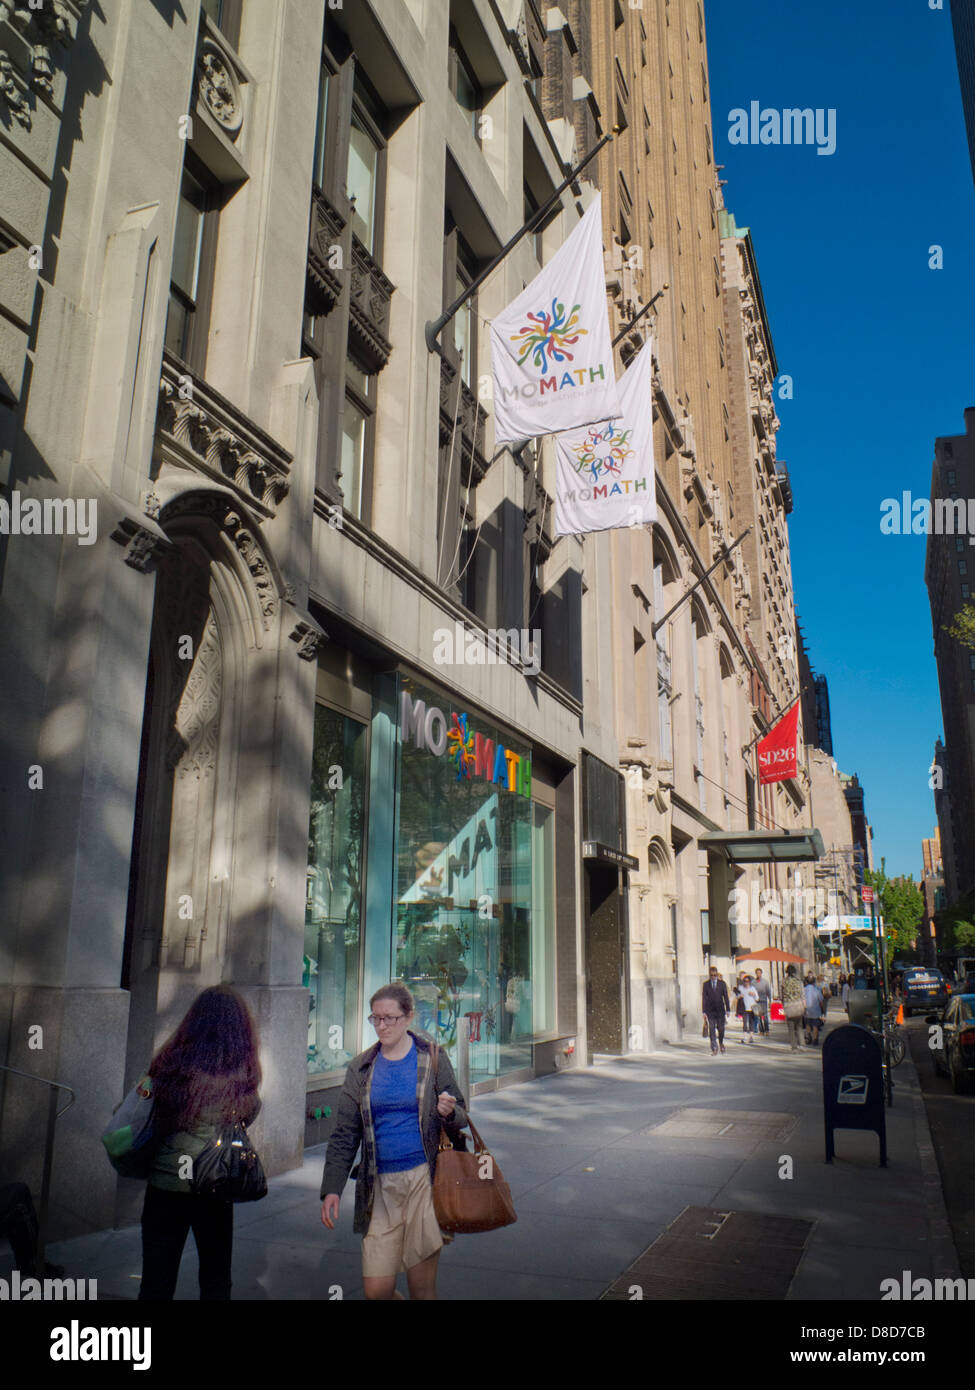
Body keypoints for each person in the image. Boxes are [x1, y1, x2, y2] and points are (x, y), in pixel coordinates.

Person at [320, 982, 469, 1301]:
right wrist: (333, 1187)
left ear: (409, 1016)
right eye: (376, 1018)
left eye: (390, 1018)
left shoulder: (432, 1059)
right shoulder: (361, 1067)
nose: (382, 1025)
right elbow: (345, 1132)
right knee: (377, 1290)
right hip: (378, 1186)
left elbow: (462, 1115)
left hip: (423, 1182)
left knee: (421, 1288)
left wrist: (448, 1111)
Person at [137, 985, 262, 1300]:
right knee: (216, 1277)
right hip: (214, 1182)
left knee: (155, 1280)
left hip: (166, 1182)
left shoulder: (169, 1064)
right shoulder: (241, 1074)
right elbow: (249, 1113)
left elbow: (143, 1109)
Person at [702, 965, 730, 1055]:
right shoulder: (706, 984)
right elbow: (704, 998)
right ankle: (714, 1047)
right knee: (712, 1029)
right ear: (709, 975)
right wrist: (704, 1011)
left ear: (717, 975)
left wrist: (728, 1009)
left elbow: (725, 997)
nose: (713, 977)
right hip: (710, 1011)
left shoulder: (722, 984)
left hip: (720, 1010)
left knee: (721, 1028)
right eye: (711, 975)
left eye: (715, 975)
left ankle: (721, 1042)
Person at [781, 965, 804, 1052]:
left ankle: (794, 1047)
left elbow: (782, 996)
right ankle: (802, 1044)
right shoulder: (799, 982)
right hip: (798, 1005)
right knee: (799, 1026)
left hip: (788, 1005)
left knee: (791, 1028)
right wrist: (804, 1006)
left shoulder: (784, 982)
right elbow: (802, 995)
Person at [803, 973, 825, 1046]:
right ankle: (815, 1039)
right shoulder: (816, 990)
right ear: (813, 982)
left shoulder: (804, 990)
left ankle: (808, 1037)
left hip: (806, 1010)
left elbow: (802, 999)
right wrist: (822, 1010)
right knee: (815, 1025)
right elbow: (821, 1000)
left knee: (808, 1024)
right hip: (815, 1010)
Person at [738, 974, 760, 1044]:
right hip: (744, 1008)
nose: (746, 983)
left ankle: (751, 1037)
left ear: (749, 982)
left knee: (751, 1022)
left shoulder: (752, 988)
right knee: (744, 1022)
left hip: (751, 1008)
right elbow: (736, 995)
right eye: (745, 981)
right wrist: (739, 996)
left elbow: (757, 998)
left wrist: (754, 994)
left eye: (747, 981)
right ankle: (744, 1037)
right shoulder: (741, 988)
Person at [754, 968, 772, 1036]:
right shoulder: (753, 982)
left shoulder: (765, 982)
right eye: (757, 973)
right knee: (758, 1016)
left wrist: (770, 1000)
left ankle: (767, 1030)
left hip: (764, 1000)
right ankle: (761, 1030)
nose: (758, 974)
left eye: (759, 973)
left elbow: (768, 991)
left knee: (765, 1016)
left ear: (761, 973)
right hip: (757, 1001)